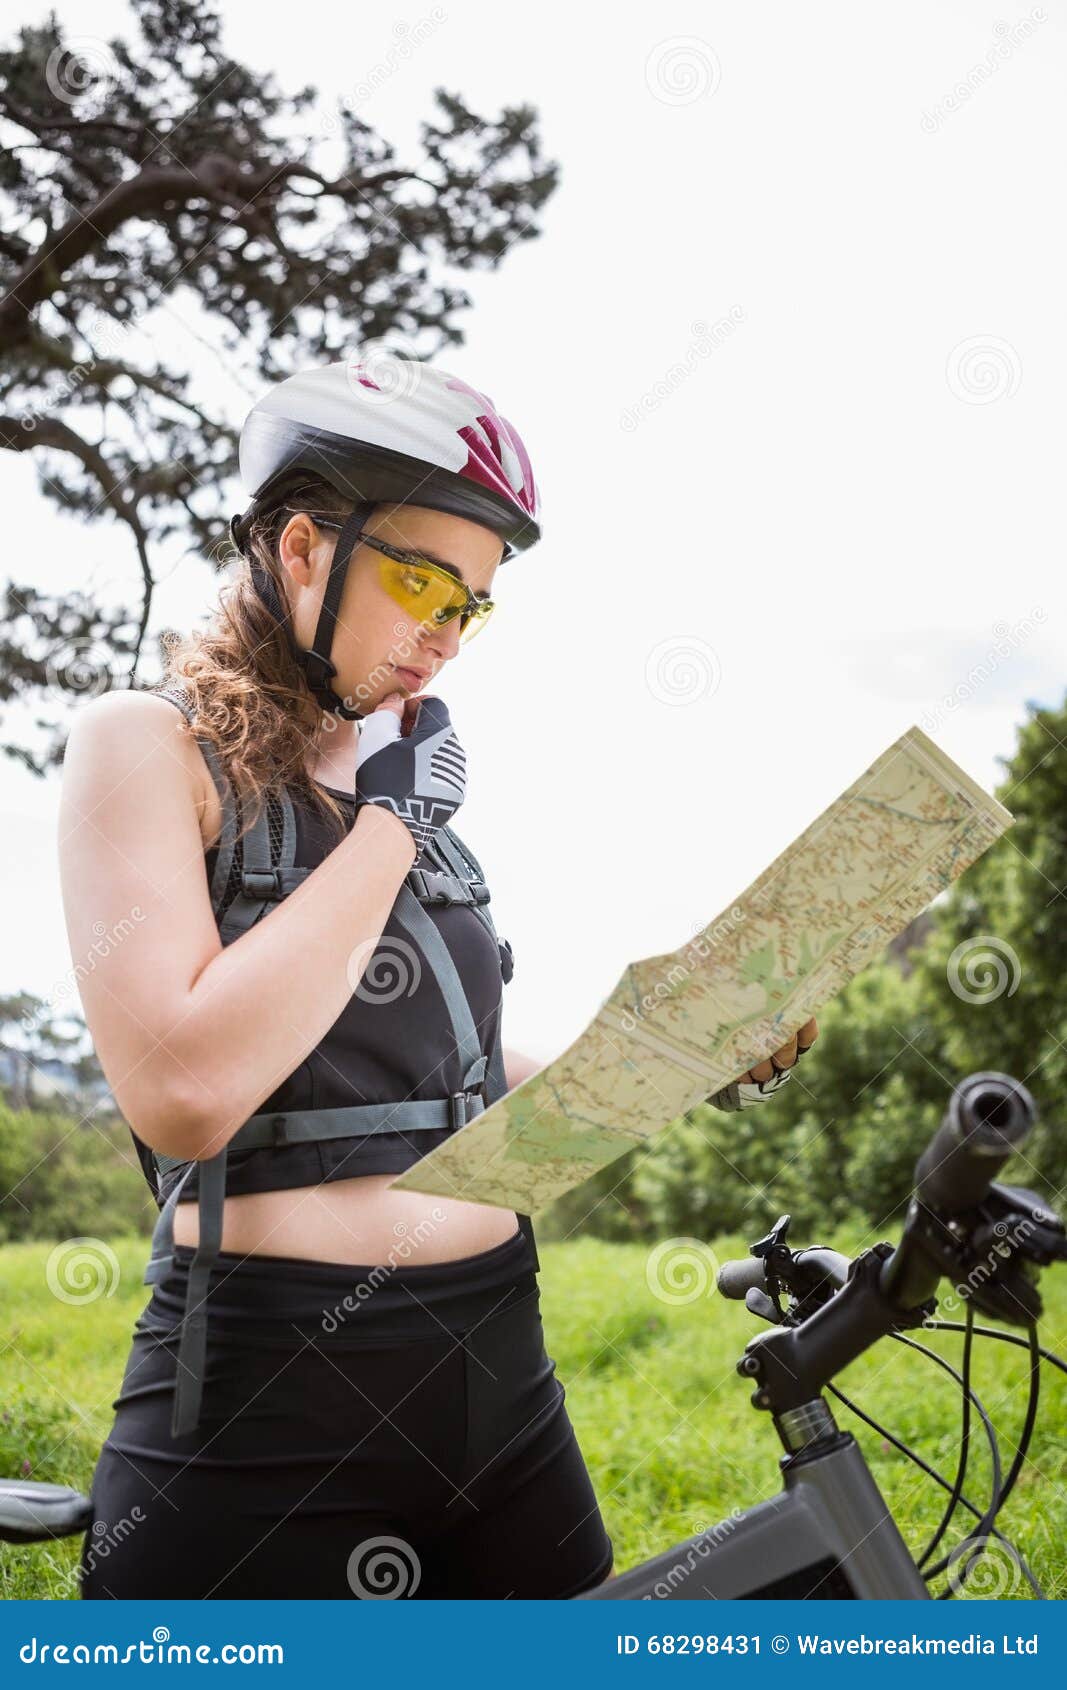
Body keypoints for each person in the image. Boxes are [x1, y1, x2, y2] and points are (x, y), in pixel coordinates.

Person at [58, 355, 815, 1600]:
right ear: (302, 545)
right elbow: (180, 1087)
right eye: (421, 581)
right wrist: (389, 832)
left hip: (495, 1371)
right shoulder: (143, 747)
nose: (445, 639)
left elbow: (456, 1081)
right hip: (263, 1394)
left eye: (473, 606)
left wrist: (682, 1046)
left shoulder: (405, 791)